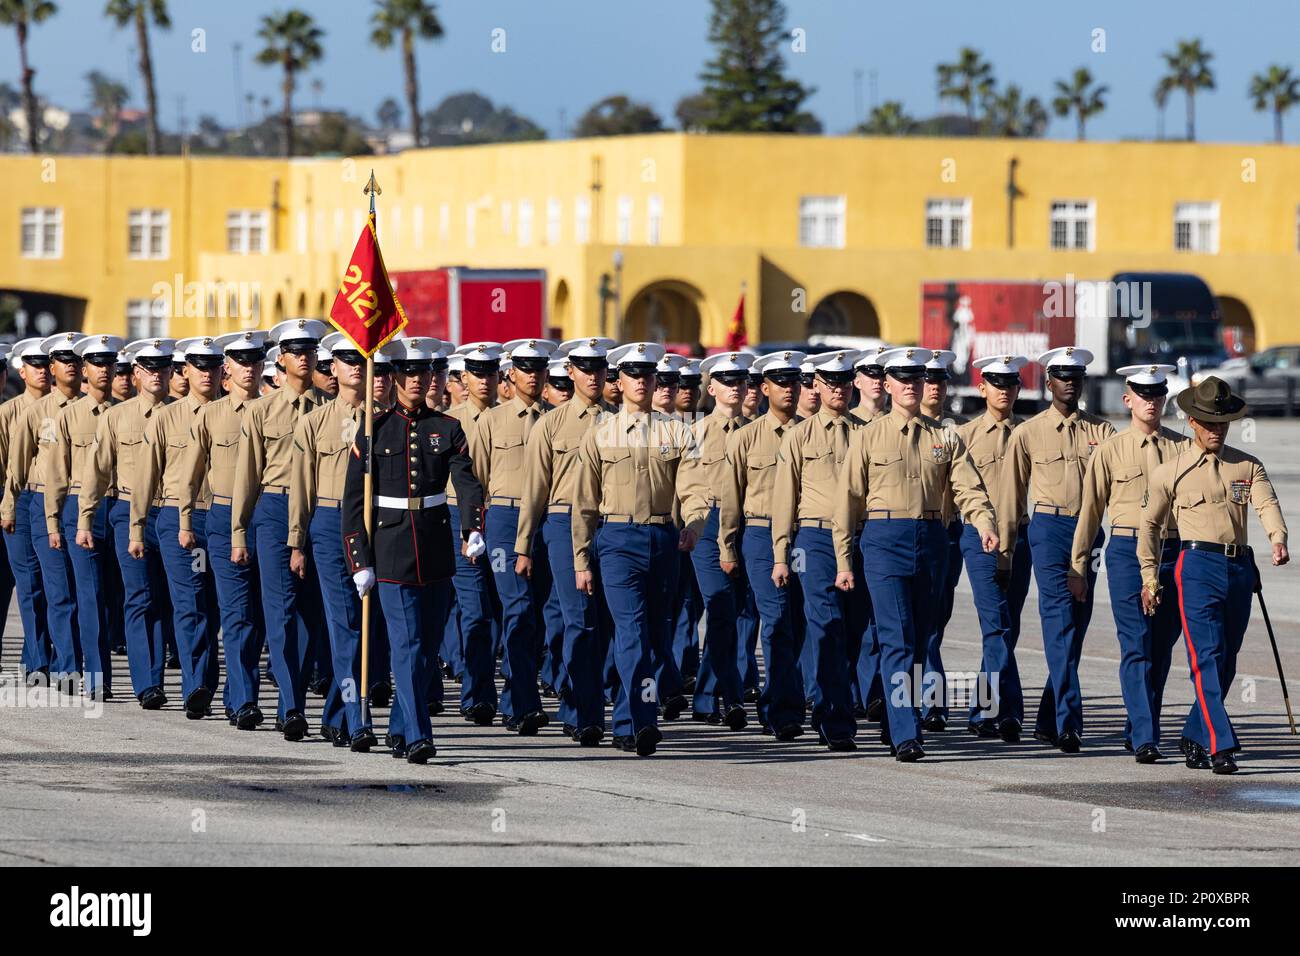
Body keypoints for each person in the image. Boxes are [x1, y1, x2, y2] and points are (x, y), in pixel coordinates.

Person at [835, 347, 998, 762]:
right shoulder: (867, 436)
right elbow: (848, 501)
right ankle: (908, 733)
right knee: (895, 639)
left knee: (923, 639)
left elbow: (967, 487)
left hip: (931, 541)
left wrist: (984, 523)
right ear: (887, 385)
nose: (910, 386)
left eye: (916, 378)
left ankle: (895, 721)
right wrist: (843, 560)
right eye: (901, 379)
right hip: (883, 539)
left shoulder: (945, 437)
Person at [343, 336, 486, 764]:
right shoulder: (374, 429)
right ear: (393, 377)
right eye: (409, 373)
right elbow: (354, 502)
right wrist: (359, 559)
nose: (417, 381)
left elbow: (467, 481)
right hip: (389, 548)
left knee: (426, 648)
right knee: (406, 645)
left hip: (436, 545)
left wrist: (473, 526)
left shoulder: (447, 427)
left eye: (424, 373)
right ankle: (420, 735)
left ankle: (399, 727)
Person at [1138, 377, 1289, 774]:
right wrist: (1150, 576)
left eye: (1222, 422)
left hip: (1239, 569)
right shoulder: (1170, 472)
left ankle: (1194, 732)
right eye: (1208, 422)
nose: (1216, 430)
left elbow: (1266, 502)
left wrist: (1277, 537)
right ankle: (1221, 746)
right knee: (1205, 658)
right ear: (1190, 421)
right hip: (1196, 568)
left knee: (1226, 661)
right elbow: (1150, 527)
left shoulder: (1247, 465)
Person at [572, 341, 708, 756]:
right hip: (616, 541)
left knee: (652, 636)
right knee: (631, 632)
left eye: (648, 375)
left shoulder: (678, 431)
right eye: (633, 375)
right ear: (620, 381)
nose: (642, 382)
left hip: (663, 539)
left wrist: (695, 524)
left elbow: (695, 485)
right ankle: (644, 719)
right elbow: (584, 502)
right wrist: (581, 559)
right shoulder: (600, 434)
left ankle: (628, 722)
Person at [1068, 364, 1188, 763]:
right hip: (1125, 551)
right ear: (1128, 399)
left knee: (1161, 646)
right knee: (1135, 644)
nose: (1151, 401)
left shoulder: (1183, 449)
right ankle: (1145, 736)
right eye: (1143, 393)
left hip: (1171, 552)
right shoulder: (1110, 450)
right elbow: (1090, 510)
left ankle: (1139, 725)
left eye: (1157, 393)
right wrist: (1079, 565)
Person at [1007, 346, 1115, 753]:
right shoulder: (1028, 432)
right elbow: (1012, 498)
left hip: (1091, 534)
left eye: (1076, 375)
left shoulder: (1102, 433)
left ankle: (1047, 718)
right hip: (1049, 529)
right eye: (1061, 375)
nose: (1070, 382)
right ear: (1047, 382)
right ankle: (1070, 723)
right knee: (1059, 622)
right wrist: (1004, 550)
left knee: (1077, 625)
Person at [232, 318, 331, 742]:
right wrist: (239, 531)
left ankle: (300, 698)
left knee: (313, 611)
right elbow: (247, 476)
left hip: (320, 512)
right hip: (274, 508)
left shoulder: (331, 409)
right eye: (296, 351)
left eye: (310, 351)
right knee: (281, 609)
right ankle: (290, 706)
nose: (304, 358)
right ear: (282, 359)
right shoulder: (261, 411)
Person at [516, 337, 615, 745]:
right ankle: (581, 711)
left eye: (599, 369)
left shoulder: (620, 421)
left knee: (607, 622)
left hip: (609, 526)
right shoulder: (551, 424)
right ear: (570, 372)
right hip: (562, 522)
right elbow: (534, 490)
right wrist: (523, 545)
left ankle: (599, 704)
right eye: (584, 369)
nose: (593, 376)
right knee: (578, 621)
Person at [288, 331, 381, 752]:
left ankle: (334, 714)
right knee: (345, 623)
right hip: (328, 522)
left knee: (367, 625)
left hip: (378, 523)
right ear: (333, 367)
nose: (355, 365)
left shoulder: (386, 420)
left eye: (361, 357)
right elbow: (301, 487)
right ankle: (356, 714)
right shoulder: (314, 422)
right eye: (346, 358)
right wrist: (297, 541)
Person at [771, 350, 866, 751]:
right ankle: (836, 720)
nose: (839, 390)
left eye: (845, 383)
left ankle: (838, 703)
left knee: (856, 631)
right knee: (826, 625)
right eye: (831, 383)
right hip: (814, 540)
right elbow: (783, 499)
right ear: (818, 387)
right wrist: (780, 554)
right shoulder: (799, 436)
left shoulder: (867, 432)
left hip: (861, 538)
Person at [131, 337, 224, 720]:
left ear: (222, 370)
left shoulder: (237, 414)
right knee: (189, 605)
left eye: (212, 366)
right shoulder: (167, 417)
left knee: (220, 608)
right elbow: (145, 477)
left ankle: (215, 683)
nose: (206, 373)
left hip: (225, 517)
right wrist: (137, 528)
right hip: (177, 519)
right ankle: (195, 685)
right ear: (185, 371)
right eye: (198, 366)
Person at [79, 338, 175, 709]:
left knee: (171, 599)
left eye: (162, 368)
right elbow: (97, 470)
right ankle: (147, 682)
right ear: (135, 374)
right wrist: (85, 518)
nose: (156, 375)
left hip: (170, 513)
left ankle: (170, 676)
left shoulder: (183, 414)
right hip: (126, 511)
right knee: (139, 596)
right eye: (148, 368)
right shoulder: (117, 417)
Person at [180, 330, 269, 730]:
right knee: (235, 613)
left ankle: (240, 694)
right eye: (240, 362)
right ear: (227, 369)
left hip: (265, 518)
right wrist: (185, 522)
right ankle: (243, 698)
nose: (248, 369)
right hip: (219, 518)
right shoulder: (210, 416)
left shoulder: (274, 411)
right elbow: (190, 477)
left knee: (263, 614)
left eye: (255, 362)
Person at [469, 338, 556, 735]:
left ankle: (521, 695)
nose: (533, 375)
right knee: (517, 608)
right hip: (504, 518)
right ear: (511, 375)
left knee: (539, 613)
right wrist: (474, 530)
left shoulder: (556, 418)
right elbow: (477, 479)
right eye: (525, 368)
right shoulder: (492, 421)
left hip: (547, 519)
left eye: (539, 368)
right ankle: (522, 701)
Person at [719, 349, 807, 739]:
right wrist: (727, 547)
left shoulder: (811, 432)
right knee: (775, 622)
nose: (789, 389)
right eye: (781, 383)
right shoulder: (745, 439)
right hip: (760, 535)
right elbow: (731, 500)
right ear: (765, 387)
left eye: (794, 382)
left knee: (805, 624)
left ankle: (797, 697)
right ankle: (781, 709)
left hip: (808, 534)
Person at [956, 355, 1033, 741]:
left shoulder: (1030, 433)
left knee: (1008, 628)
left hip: (1020, 536)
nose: (1004, 390)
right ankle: (1007, 712)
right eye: (996, 383)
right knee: (996, 624)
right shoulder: (963, 436)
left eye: (1011, 383)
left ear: (1019, 388)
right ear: (982, 387)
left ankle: (984, 710)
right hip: (980, 537)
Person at [6, 332, 89, 692]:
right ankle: (40, 657)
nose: (44, 371)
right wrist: (8, 507)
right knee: (33, 586)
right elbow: (13, 468)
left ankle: (59, 660)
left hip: (76, 501)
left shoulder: (89, 408)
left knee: (66, 587)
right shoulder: (19, 413)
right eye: (38, 364)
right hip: (32, 500)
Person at [46, 334, 124, 700]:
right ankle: (96, 678)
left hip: (122, 507)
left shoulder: (130, 412)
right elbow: (57, 476)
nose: (104, 370)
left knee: (120, 596)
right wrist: (52, 524)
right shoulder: (68, 417)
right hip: (80, 508)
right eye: (96, 363)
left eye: (109, 363)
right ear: (85, 370)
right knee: (89, 595)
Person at [689, 351, 754, 730]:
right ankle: (728, 697)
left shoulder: (755, 431)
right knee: (720, 607)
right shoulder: (694, 433)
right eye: (726, 381)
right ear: (711, 388)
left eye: (740, 381)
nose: (735, 387)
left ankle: (708, 694)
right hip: (709, 525)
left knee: (739, 614)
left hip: (747, 524)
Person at [918, 349, 967, 731]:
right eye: (927, 379)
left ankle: (927, 700)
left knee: (935, 624)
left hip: (946, 535)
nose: (934, 387)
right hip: (902, 535)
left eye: (940, 380)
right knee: (913, 627)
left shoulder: (957, 432)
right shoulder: (896, 429)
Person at [2, 338, 53, 684]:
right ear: (22, 371)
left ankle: (36, 658)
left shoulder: (60, 409)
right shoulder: (8, 413)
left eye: (46, 365)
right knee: (21, 584)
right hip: (14, 501)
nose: (42, 371)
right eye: (35, 365)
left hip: (47, 502)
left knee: (40, 584)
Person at [671, 357, 704, 686]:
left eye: (693, 386)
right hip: (664, 524)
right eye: (682, 386)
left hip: (695, 523)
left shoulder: (699, 427)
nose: (685, 392)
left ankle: (686, 663)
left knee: (690, 599)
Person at [852, 344, 890, 421]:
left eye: (882, 376)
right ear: (857, 382)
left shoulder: (896, 422)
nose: (878, 381)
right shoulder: (846, 422)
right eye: (871, 376)